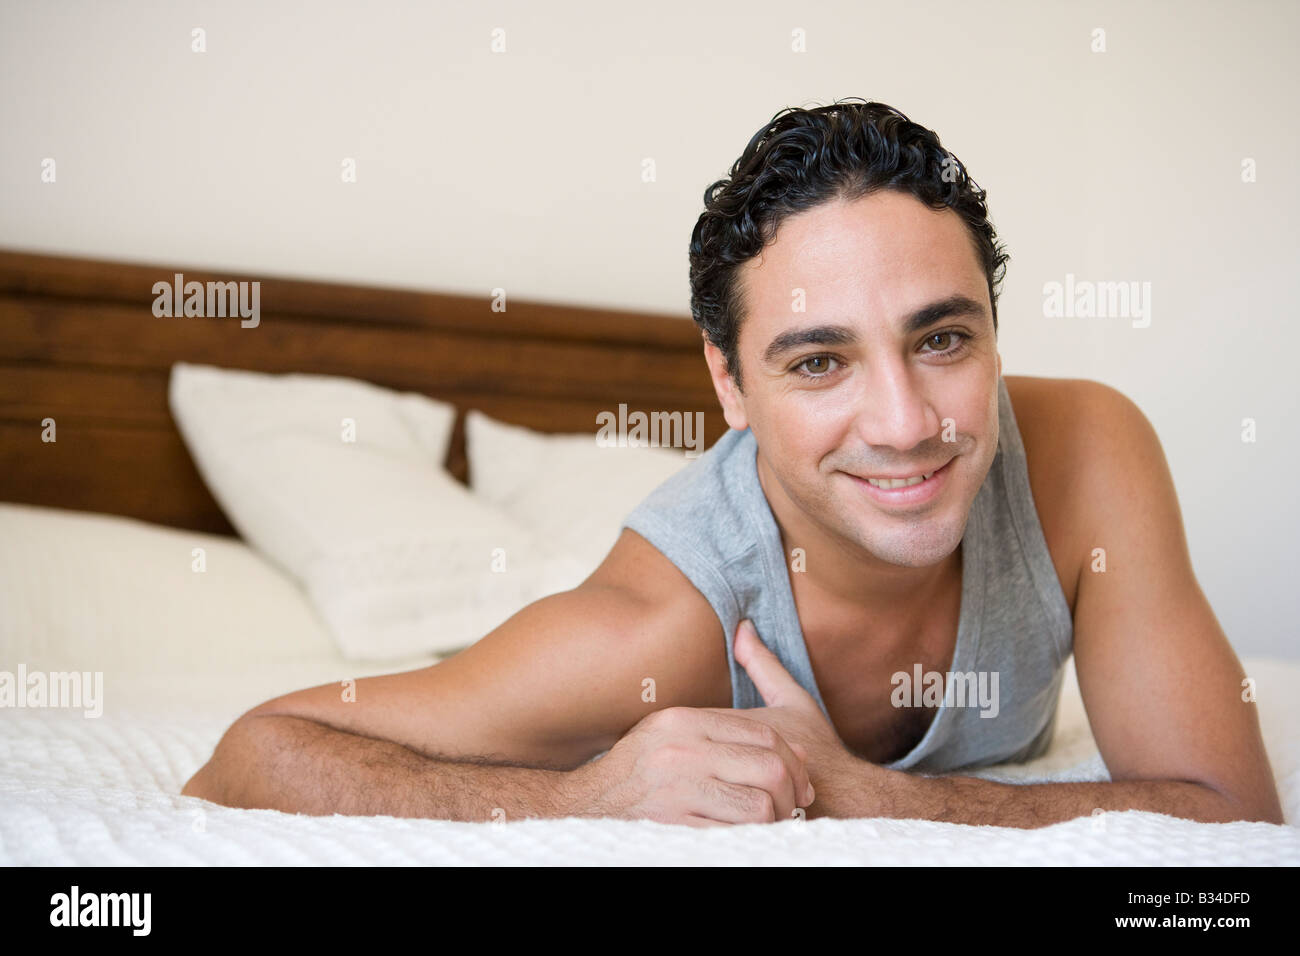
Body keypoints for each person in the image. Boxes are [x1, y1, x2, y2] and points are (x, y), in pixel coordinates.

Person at [182, 100, 1283, 828]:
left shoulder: (1087, 452)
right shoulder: (657, 626)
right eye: (819, 362)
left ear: (994, 332)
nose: (905, 423)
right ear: (729, 385)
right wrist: (586, 796)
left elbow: (1232, 812)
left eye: (943, 339)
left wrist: (869, 795)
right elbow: (255, 752)